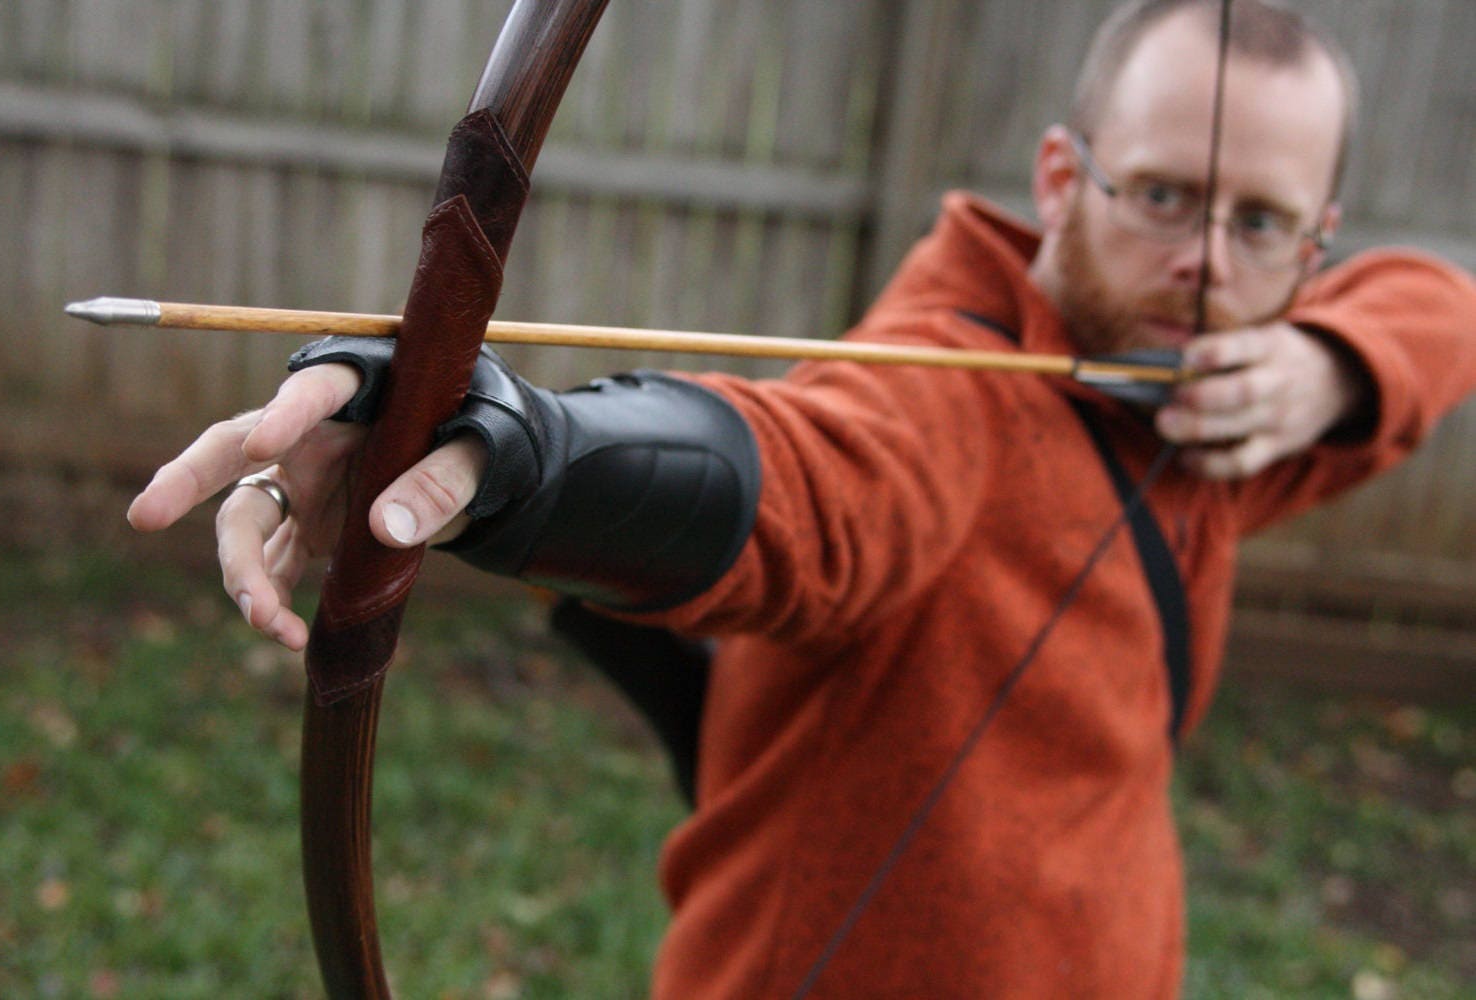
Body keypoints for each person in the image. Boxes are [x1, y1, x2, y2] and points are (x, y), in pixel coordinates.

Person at [128, 0, 1476, 996]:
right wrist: (506, 450)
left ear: (1316, 246)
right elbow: (801, 479)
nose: (1202, 272)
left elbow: (1445, 306)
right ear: (1063, 182)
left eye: (1259, 226)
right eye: (1168, 197)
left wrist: (1328, 363)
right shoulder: (953, 398)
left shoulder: (1222, 414)